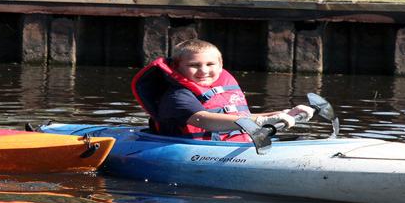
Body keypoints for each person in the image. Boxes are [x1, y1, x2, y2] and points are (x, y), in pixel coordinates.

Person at [131, 39, 311, 142]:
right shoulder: (178, 96)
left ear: (221, 64)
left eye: (210, 64)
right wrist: (264, 119)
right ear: (177, 67)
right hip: (195, 151)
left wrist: (285, 112)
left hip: (234, 146)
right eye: (194, 65)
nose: (203, 71)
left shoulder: (222, 86)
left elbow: (235, 116)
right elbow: (205, 120)